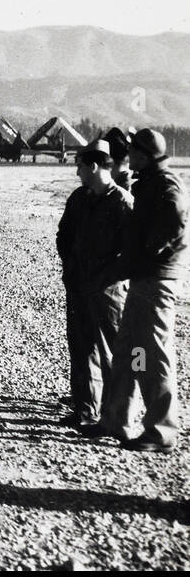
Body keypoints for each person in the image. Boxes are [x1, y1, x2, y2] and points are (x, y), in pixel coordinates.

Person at [102, 129, 188, 451]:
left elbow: (176, 218)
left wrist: (149, 249)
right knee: (131, 350)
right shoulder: (151, 181)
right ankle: (117, 420)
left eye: (131, 151)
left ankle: (162, 431)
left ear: (143, 154)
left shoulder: (166, 184)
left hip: (157, 280)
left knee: (154, 353)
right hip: (144, 278)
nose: (127, 156)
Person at [55, 138, 132, 436]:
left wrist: (105, 277)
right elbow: (64, 235)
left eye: (80, 167)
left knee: (114, 352)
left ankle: (118, 419)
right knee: (81, 347)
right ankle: (86, 410)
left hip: (108, 291)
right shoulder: (79, 199)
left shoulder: (122, 202)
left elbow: (130, 251)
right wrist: (72, 267)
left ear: (95, 166)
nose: (77, 173)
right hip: (78, 286)